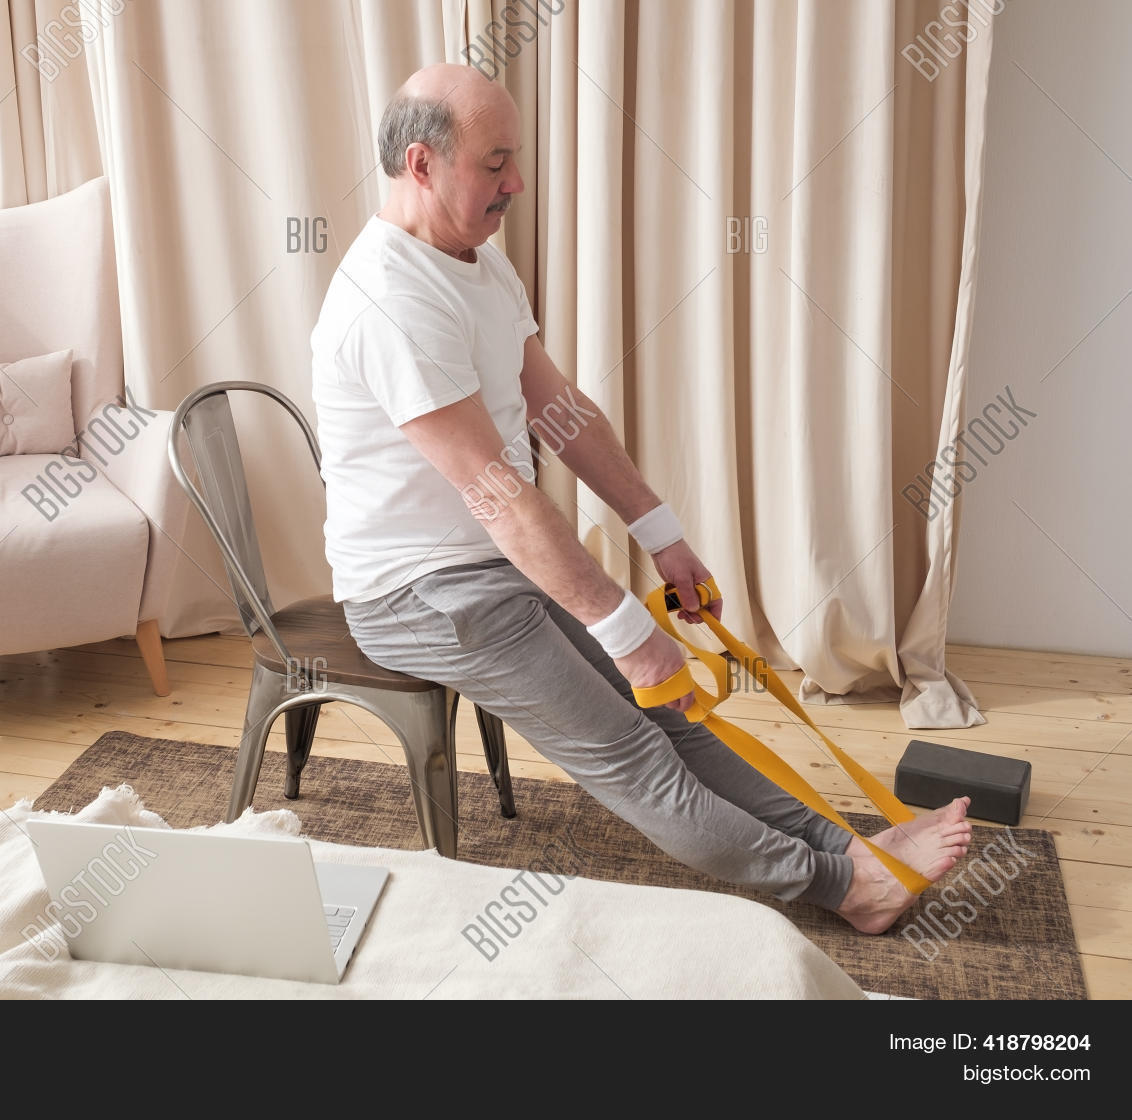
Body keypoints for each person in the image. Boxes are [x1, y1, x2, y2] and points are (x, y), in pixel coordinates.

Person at [309, 62, 970, 933]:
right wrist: (627, 633)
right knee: (633, 748)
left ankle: (851, 849)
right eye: (496, 163)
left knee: (681, 719)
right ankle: (844, 888)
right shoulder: (391, 301)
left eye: (515, 159)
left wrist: (663, 535)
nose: (516, 183)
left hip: (496, 564)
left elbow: (563, 413)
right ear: (422, 164)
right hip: (420, 593)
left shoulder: (477, 265)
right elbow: (499, 495)